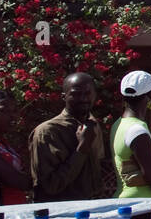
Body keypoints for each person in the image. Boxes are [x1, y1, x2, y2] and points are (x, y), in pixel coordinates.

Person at [29, 73, 106, 203]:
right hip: (61, 214)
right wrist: (82, 148)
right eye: (76, 94)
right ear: (64, 97)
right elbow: (51, 186)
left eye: (87, 93)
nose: (83, 98)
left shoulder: (92, 126)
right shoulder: (47, 132)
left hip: (92, 210)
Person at [109, 72, 151, 202]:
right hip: (141, 205)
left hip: (125, 201)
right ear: (149, 96)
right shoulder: (137, 130)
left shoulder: (118, 124)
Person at [0, 90, 30, 206]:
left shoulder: (3, 143)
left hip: (13, 213)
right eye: (3, 111)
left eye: (14, 111)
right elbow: (17, 181)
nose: (12, 116)